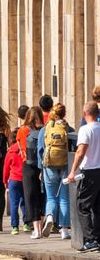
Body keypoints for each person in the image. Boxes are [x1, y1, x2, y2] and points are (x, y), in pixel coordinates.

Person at [62, 101, 100, 252]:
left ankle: (90, 240)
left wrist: (72, 171)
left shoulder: (86, 130)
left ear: (85, 113)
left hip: (89, 171)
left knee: (82, 206)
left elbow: (80, 152)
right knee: (97, 206)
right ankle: (97, 237)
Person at [39, 102, 73, 240]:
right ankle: (64, 229)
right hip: (65, 166)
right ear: (64, 113)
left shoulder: (45, 129)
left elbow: (40, 150)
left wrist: (41, 168)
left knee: (51, 197)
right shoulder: (68, 129)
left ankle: (50, 216)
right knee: (64, 199)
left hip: (49, 167)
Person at [21, 104, 45, 234]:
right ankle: (43, 224)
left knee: (30, 197)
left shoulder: (23, 130)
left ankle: (36, 229)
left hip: (28, 166)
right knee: (42, 195)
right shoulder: (44, 130)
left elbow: (22, 149)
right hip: (43, 166)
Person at [3, 135, 26, 236]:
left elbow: (6, 168)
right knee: (24, 202)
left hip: (13, 180)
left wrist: (5, 181)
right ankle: (26, 224)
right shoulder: (25, 150)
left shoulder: (10, 152)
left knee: (14, 204)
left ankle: (15, 227)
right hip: (24, 179)